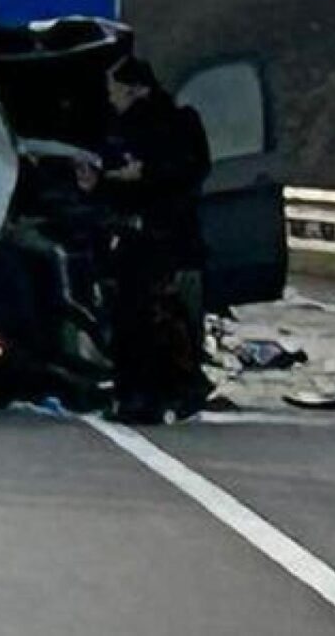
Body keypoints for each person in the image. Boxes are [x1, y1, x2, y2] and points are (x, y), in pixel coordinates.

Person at [94, 55, 213, 424]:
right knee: (161, 317)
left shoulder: (164, 126)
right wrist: (101, 182)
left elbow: (185, 174)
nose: (110, 97)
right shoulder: (132, 126)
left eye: (114, 89)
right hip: (159, 238)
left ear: (134, 88)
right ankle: (173, 388)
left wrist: (140, 174)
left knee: (143, 319)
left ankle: (148, 395)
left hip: (155, 236)